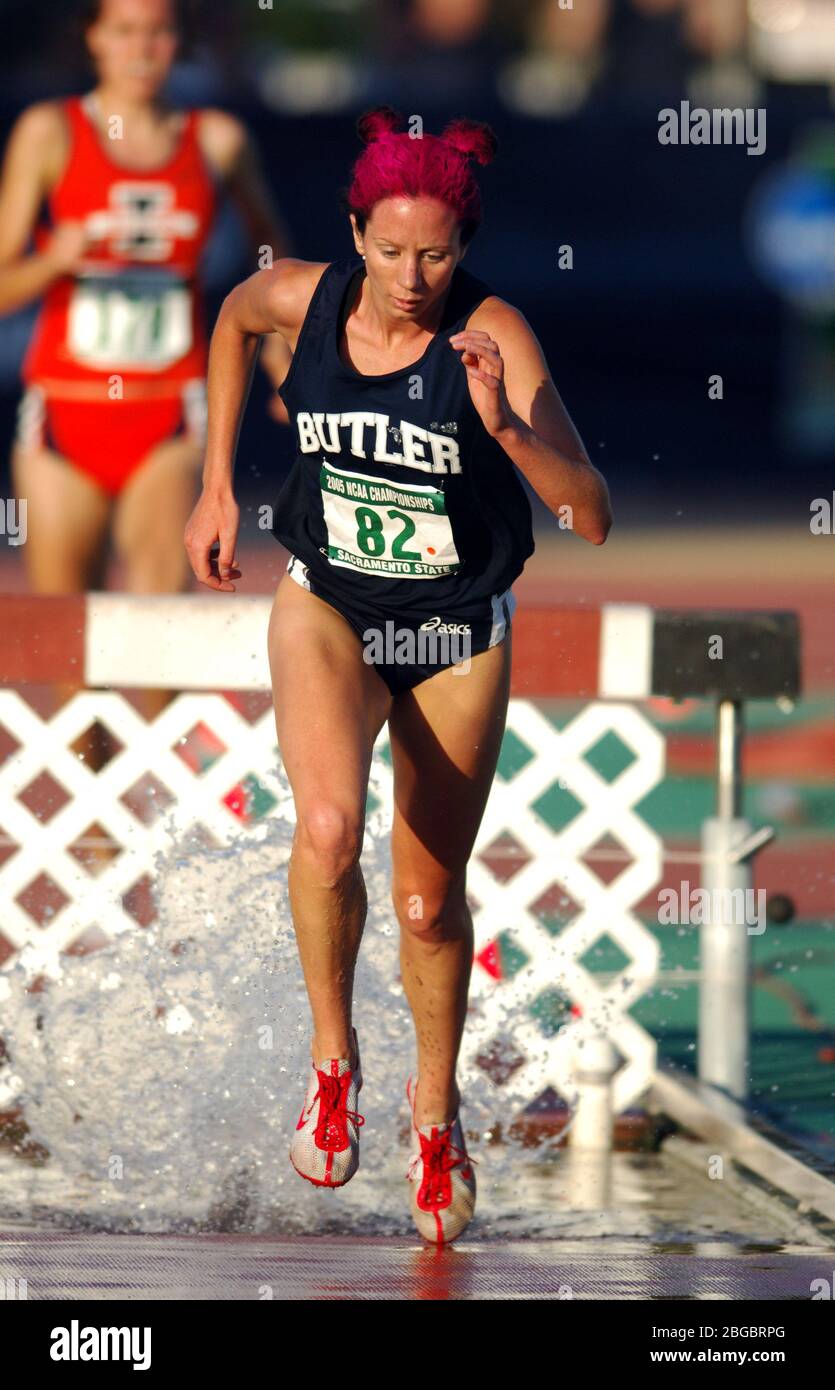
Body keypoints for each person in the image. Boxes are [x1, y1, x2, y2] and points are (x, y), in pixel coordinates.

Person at [185, 106, 612, 1244]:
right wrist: (217, 480)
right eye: (389, 250)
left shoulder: (494, 332)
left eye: (436, 254)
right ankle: (334, 1064)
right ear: (354, 234)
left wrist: (503, 431)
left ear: (462, 247)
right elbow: (230, 318)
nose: (412, 276)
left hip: (453, 629)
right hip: (328, 598)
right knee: (325, 827)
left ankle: (436, 1117)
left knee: (427, 902)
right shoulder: (305, 298)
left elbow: (593, 514)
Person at [0, 0, 292, 740]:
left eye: (159, 32)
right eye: (124, 30)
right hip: (64, 414)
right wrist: (54, 261)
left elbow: (273, 264)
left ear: (179, 43)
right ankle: (96, 842)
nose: (142, 48)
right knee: (72, 646)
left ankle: (159, 831)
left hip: (167, 412)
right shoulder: (49, 131)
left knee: (156, 626)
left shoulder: (217, 140)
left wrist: (285, 363)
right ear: (94, 38)